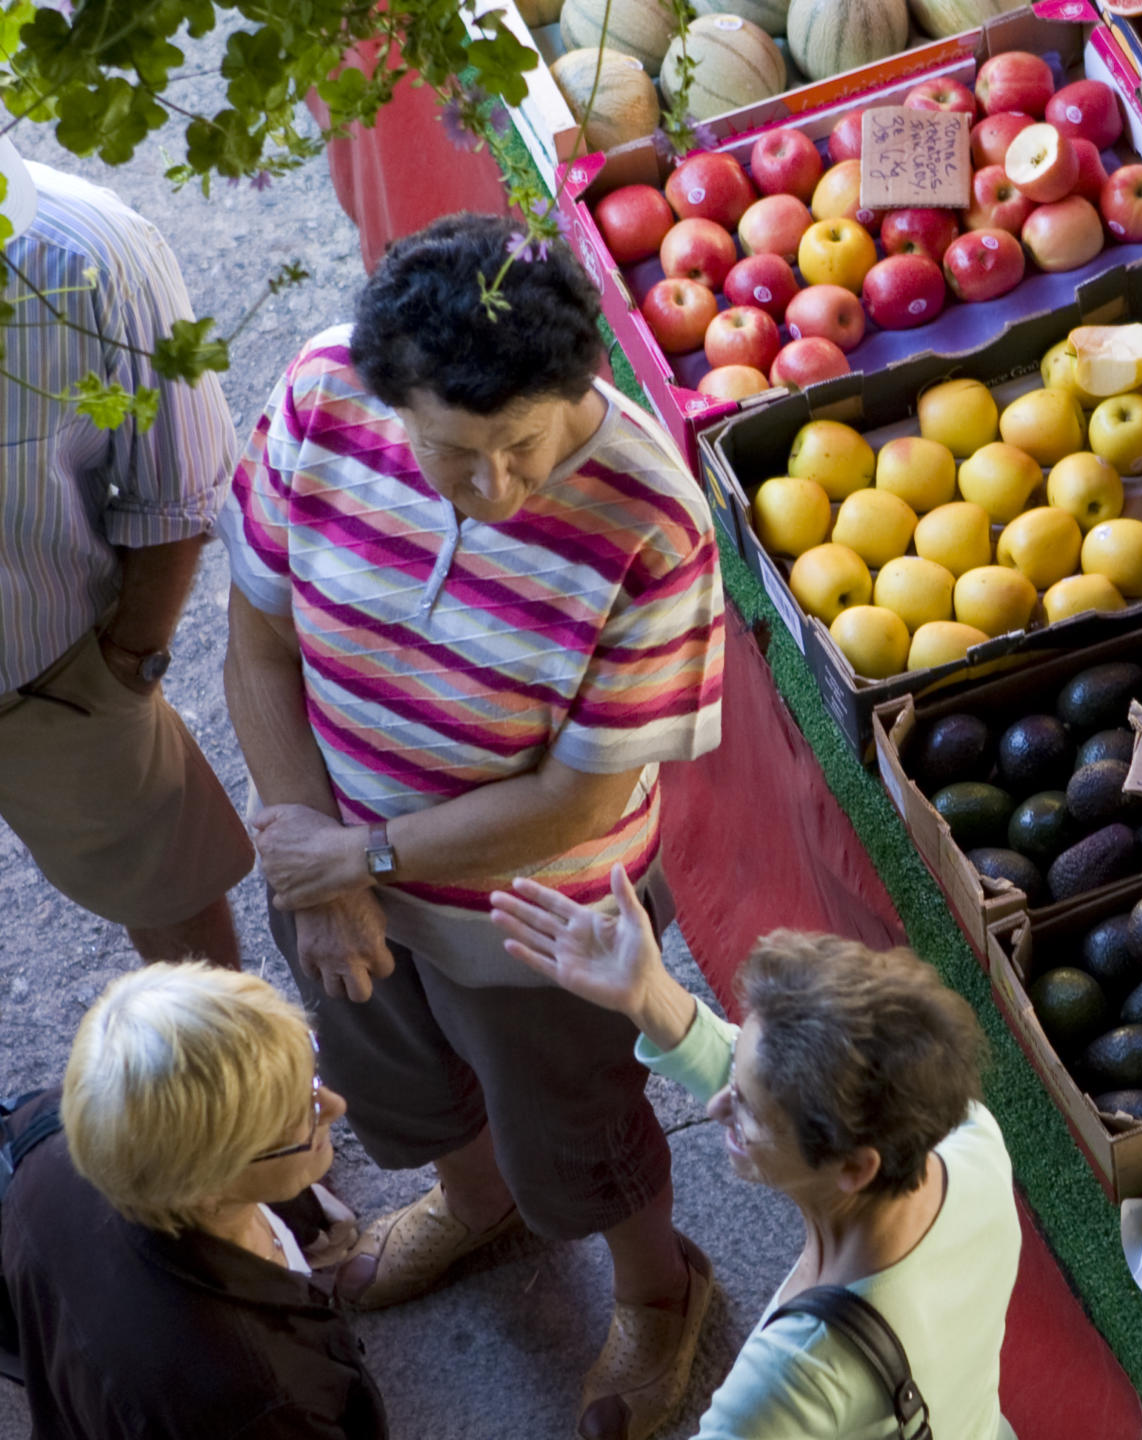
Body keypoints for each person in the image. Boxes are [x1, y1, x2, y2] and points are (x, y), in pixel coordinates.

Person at [218, 211, 725, 1440]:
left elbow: (581, 798)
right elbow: (257, 648)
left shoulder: (654, 525)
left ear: (579, 388)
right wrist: (321, 865)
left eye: (524, 443)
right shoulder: (320, 394)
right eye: (454, 452)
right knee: (393, 1077)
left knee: (580, 1124)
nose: (495, 485)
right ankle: (470, 1198)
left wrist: (359, 856)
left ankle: (662, 1292)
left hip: (535, 910)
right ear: (389, 400)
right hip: (333, 856)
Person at [491, 865, 1022, 1440]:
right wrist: (649, 993)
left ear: (852, 1168)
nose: (717, 1107)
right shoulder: (968, 1135)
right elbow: (778, 1089)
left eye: (745, 1110)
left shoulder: (796, 1381)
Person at [0, 138, 251, 967]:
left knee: (169, 895)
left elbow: (180, 490)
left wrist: (126, 666)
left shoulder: (93, 257)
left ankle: (237, 1097)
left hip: (49, 677)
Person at [0, 962, 383, 1439]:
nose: (333, 1105)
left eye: (309, 1067)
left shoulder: (69, 1128)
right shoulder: (265, 1399)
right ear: (207, 1186)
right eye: (299, 1116)